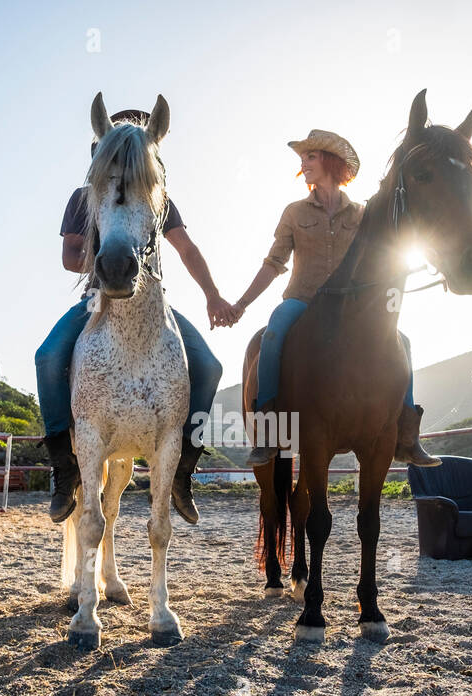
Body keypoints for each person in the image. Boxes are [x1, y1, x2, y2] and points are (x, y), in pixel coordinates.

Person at [37, 108, 237, 524]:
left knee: (210, 367)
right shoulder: (84, 197)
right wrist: (106, 264)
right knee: (48, 357)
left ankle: (183, 471)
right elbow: (69, 256)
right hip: (98, 297)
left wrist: (213, 295)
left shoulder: (155, 193)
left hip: (151, 301)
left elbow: (186, 249)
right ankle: (64, 467)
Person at [232, 130, 438, 468]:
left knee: (404, 341)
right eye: (303, 158)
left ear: (330, 162)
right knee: (270, 337)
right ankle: (268, 431)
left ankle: (407, 435)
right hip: (301, 300)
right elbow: (274, 263)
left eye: (310, 156)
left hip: (350, 307)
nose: (303, 163)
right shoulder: (294, 213)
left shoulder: (361, 213)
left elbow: (383, 253)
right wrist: (241, 303)